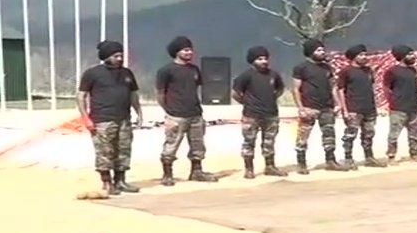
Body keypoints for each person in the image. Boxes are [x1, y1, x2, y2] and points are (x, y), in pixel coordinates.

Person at [77, 40, 143, 197]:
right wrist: (86, 118)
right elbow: (81, 96)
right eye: (116, 55)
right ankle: (107, 183)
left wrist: (139, 113)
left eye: (121, 55)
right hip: (102, 120)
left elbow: (133, 94)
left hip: (124, 119)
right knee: (105, 152)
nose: (120, 58)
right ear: (106, 56)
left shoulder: (127, 73)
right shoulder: (92, 74)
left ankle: (121, 181)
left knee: (123, 150)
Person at [155, 36, 219, 186]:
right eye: (185, 50)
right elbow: (160, 94)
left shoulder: (194, 69)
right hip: (176, 115)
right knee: (171, 145)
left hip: (195, 114)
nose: (189, 52)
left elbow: (196, 89)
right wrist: (169, 111)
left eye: (190, 49)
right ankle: (167, 174)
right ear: (177, 52)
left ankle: (196, 172)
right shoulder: (166, 70)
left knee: (198, 145)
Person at [291, 39, 346, 174]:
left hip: (327, 107)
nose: (322, 52)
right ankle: (301, 163)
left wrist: (338, 104)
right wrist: (301, 108)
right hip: (309, 107)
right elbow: (295, 89)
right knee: (303, 136)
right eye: (318, 50)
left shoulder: (327, 68)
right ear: (311, 52)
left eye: (322, 50)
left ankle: (330, 161)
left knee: (329, 135)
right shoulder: (301, 68)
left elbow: (333, 87)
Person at [232, 46, 287, 179]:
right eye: (260, 59)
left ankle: (270, 167)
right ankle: (249, 169)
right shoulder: (246, 75)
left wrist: (272, 98)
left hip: (271, 114)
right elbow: (235, 93)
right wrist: (247, 103)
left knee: (269, 142)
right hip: (251, 116)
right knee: (249, 142)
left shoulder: (273, 74)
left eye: (265, 59)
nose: (264, 61)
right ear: (252, 61)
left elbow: (280, 89)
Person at [334, 44, 387, 169]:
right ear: (354, 57)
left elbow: (371, 87)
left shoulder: (368, 71)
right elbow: (340, 90)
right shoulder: (346, 72)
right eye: (361, 55)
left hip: (369, 108)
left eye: (365, 54)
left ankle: (369, 158)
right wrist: (344, 109)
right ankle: (348, 159)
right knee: (350, 135)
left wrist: (377, 106)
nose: (364, 57)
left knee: (369, 134)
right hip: (353, 108)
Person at [383, 44, 417, 162]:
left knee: (415, 133)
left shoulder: (413, 70)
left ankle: (414, 153)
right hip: (398, 108)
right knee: (394, 134)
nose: (413, 56)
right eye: (410, 54)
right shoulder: (392, 71)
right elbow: (387, 88)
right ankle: (391, 155)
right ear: (402, 56)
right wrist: (390, 102)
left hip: (413, 107)